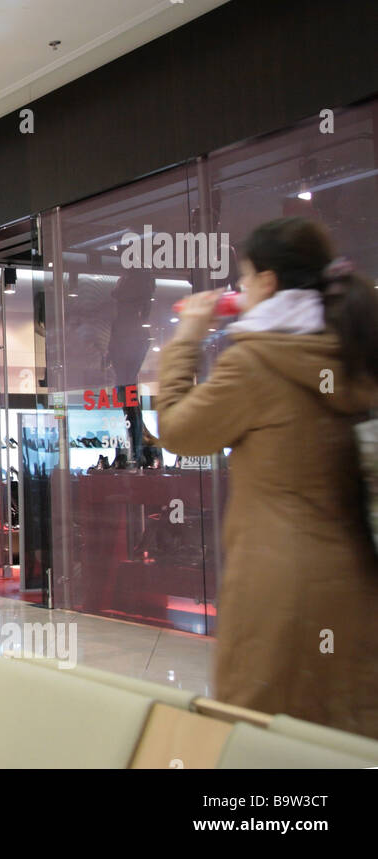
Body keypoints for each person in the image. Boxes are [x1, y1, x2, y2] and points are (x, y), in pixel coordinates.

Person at [158, 216, 378, 739]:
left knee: (261, 731)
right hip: (353, 576)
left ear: (269, 282)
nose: (239, 289)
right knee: (340, 728)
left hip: (277, 587)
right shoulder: (349, 351)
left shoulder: (257, 362)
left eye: (245, 276)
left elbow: (177, 428)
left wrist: (187, 339)